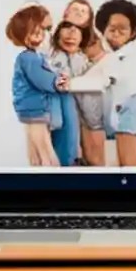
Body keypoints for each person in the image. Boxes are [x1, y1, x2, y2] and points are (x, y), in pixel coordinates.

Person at [5, 4, 68, 166]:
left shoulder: (34, 56)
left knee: (35, 150)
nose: (47, 35)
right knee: (44, 149)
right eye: (42, 30)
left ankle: (38, 170)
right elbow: (40, 78)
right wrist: (56, 81)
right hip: (35, 109)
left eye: (49, 29)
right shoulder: (29, 58)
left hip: (31, 108)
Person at [87, 0, 136, 167]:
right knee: (113, 160)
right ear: (103, 29)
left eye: (123, 29)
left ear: (133, 32)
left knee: (129, 159)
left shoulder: (128, 54)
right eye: (112, 29)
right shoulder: (102, 52)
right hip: (108, 111)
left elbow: (120, 81)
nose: (116, 33)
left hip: (127, 105)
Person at [48, 20, 104, 166]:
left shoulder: (86, 62)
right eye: (67, 27)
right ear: (57, 36)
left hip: (87, 120)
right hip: (60, 118)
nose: (71, 32)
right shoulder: (50, 60)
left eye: (77, 29)